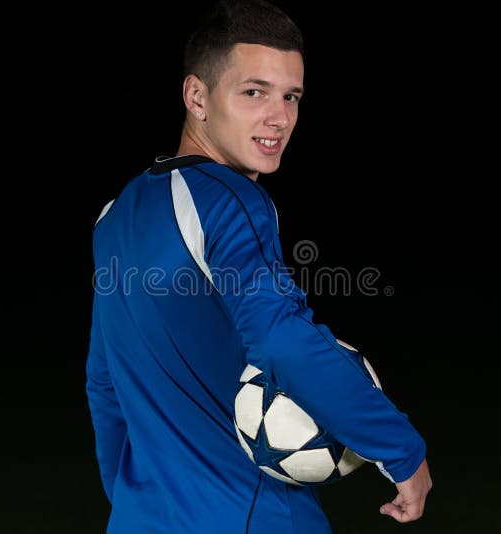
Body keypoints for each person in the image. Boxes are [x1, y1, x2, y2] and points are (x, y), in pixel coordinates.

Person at [85, 0, 432, 532]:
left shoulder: (114, 214)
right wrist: (400, 450)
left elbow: (103, 380)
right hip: (250, 513)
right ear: (196, 96)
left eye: (291, 96)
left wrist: (131, 497)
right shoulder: (229, 198)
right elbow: (280, 338)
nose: (280, 118)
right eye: (254, 92)